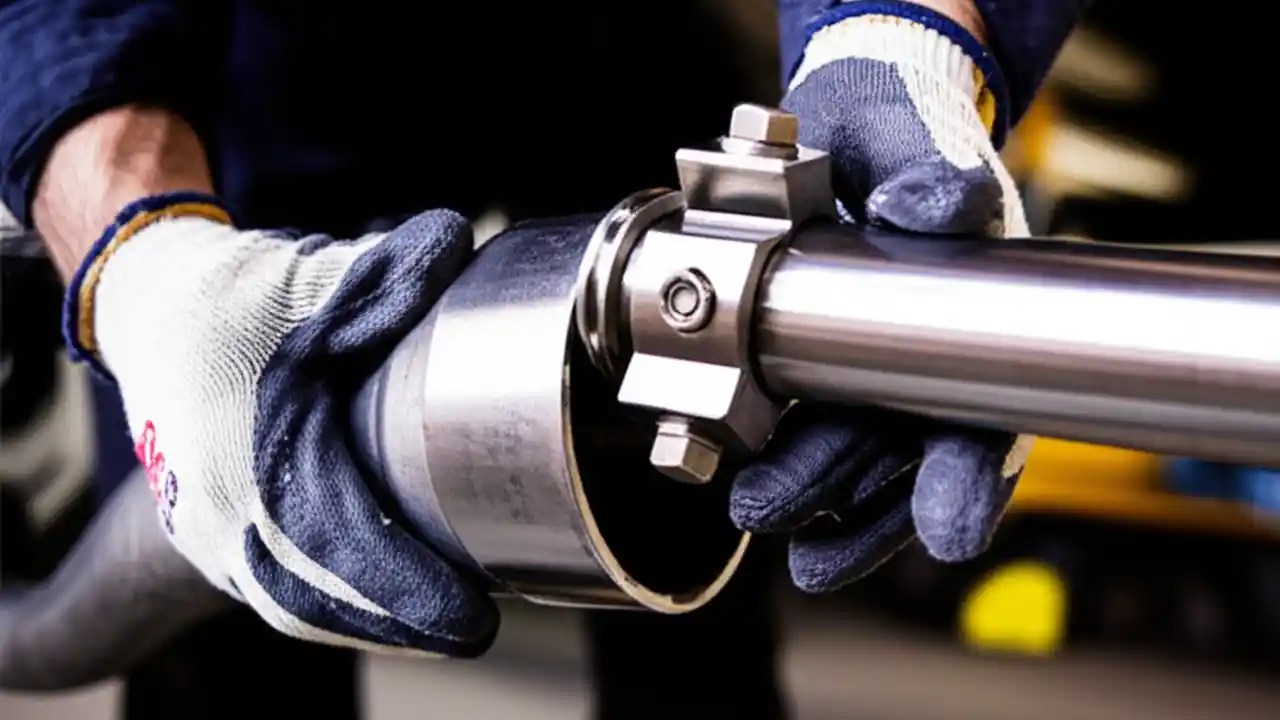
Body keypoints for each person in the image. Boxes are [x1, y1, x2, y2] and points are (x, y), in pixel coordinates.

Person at [0, 0, 1091, 717]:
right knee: (242, 524)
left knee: (694, 520)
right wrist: (140, 247)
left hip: (633, 38)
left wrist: (901, 32)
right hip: (275, 54)